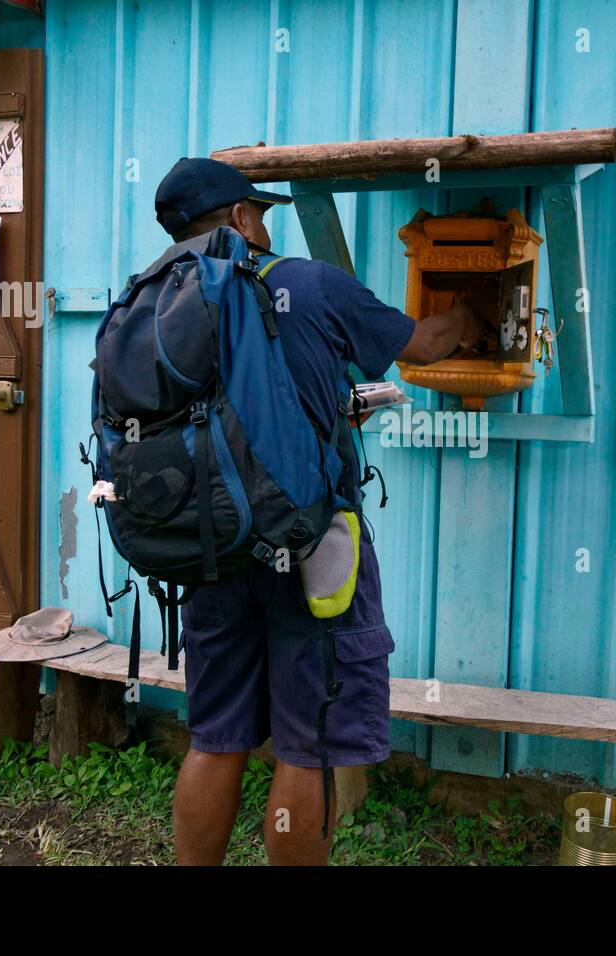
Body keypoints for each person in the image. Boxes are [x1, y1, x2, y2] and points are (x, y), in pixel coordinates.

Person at [154, 158, 484, 865]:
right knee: (309, 744)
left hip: (208, 549)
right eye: (261, 214)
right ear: (242, 218)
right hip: (311, 551)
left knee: (216, 739)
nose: (267, 226)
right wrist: (465, 314)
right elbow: (424, 345)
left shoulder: (158, 302)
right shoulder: (304, 282)